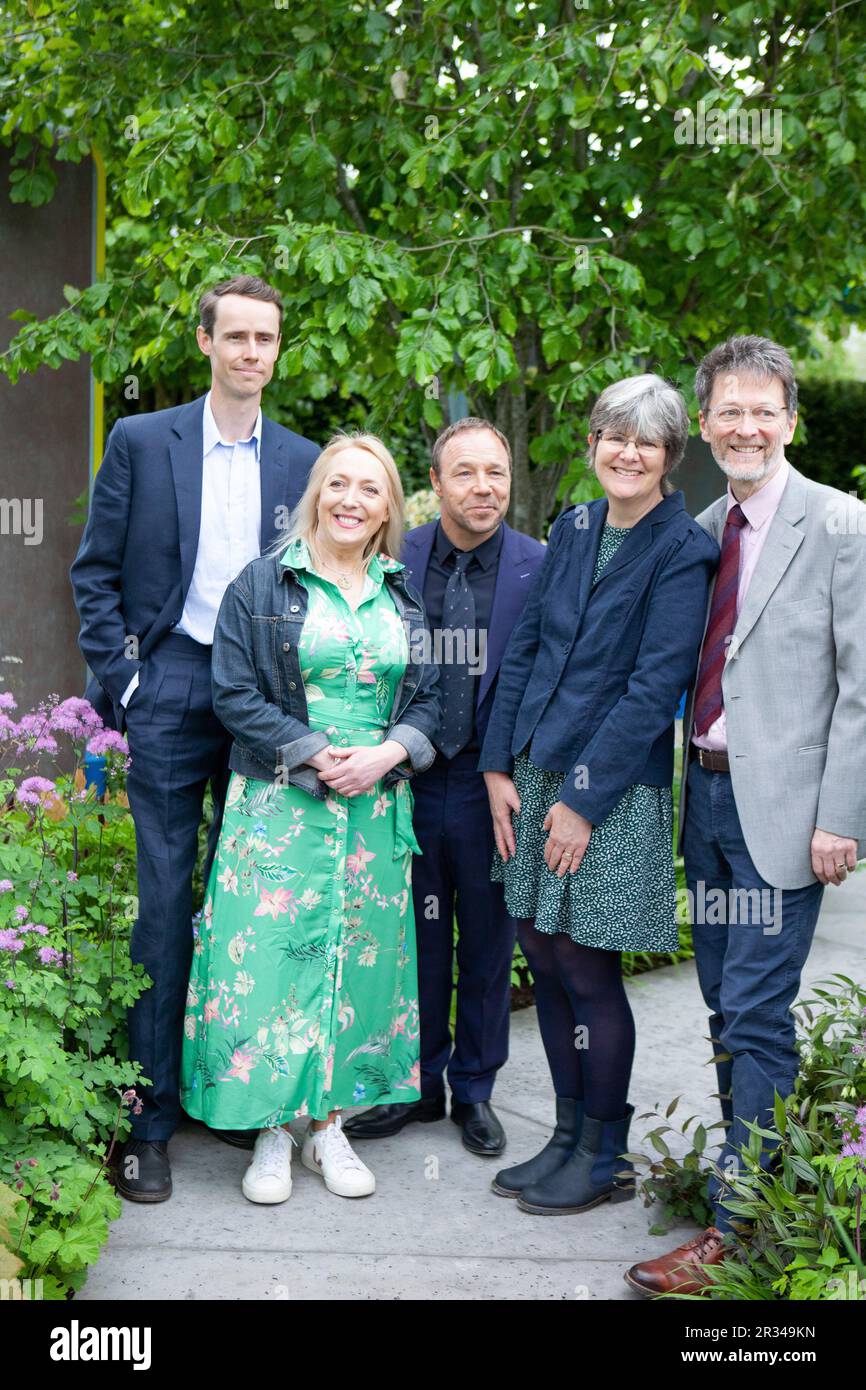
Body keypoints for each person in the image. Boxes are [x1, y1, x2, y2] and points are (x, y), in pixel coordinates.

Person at [625, 336, 866, 1295]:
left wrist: (840, 817)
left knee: (758, 1016)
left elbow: (861, 688)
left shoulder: (840, 524)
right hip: (708, 804)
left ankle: (735, 1230)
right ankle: (758, 1180)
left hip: (787, 816)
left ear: (791, 421)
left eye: (764, 410)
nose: (746, 426)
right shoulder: (703, 525)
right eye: (729, 409)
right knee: (728, 1009)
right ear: (707, 423)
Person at [70, 276, 319, 1202]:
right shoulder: (142, 441)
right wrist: (129, 679)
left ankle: (245, 1103)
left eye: (267, 339)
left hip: (261, 695)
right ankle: (150, 1122)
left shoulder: (301, 459)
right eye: (237, 336)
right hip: (170, 682)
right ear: (206, 341)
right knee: (165, 906)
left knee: (260, 907)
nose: (252, 352)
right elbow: (93, 573)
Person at [478, 374, 719, 1214]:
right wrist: (499, 767)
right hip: (536, 772)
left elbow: (654, 691)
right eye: (615, 435)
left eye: (646, 440)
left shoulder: (682, 549)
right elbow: (527, 648)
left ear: (669, 457)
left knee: (586, 966)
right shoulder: (574, 528)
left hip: (611, 791)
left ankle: (606, 1153)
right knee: (541, 955)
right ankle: (568, 1136)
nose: (627, 451)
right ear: (593, 445)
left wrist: (580, 801)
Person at [180, 434, 440, 1204]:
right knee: (267, 967)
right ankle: (269, 1130)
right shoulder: (263, 586)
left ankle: (327, 1127)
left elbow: (432, 704)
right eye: (339, 484)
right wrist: (314, 750)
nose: (351, 500)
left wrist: (390, 754)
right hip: (280, 807)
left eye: (370, 488)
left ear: (389, 506)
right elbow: (233, 692)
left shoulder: (402, 596)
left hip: (375, 815)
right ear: (315, 494)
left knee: (354, 967)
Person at [343, 419, 545, 1156]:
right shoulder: (395, 555)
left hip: (496, 784)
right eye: (466, 473)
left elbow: (542, 683)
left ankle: (477, 1090)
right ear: (437, 483)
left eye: (496, 472)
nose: (483, 487)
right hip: (409, 778)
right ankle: (418, 1085)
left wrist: (508, 768)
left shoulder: (539, 565)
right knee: (412, 939)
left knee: (488, 943)